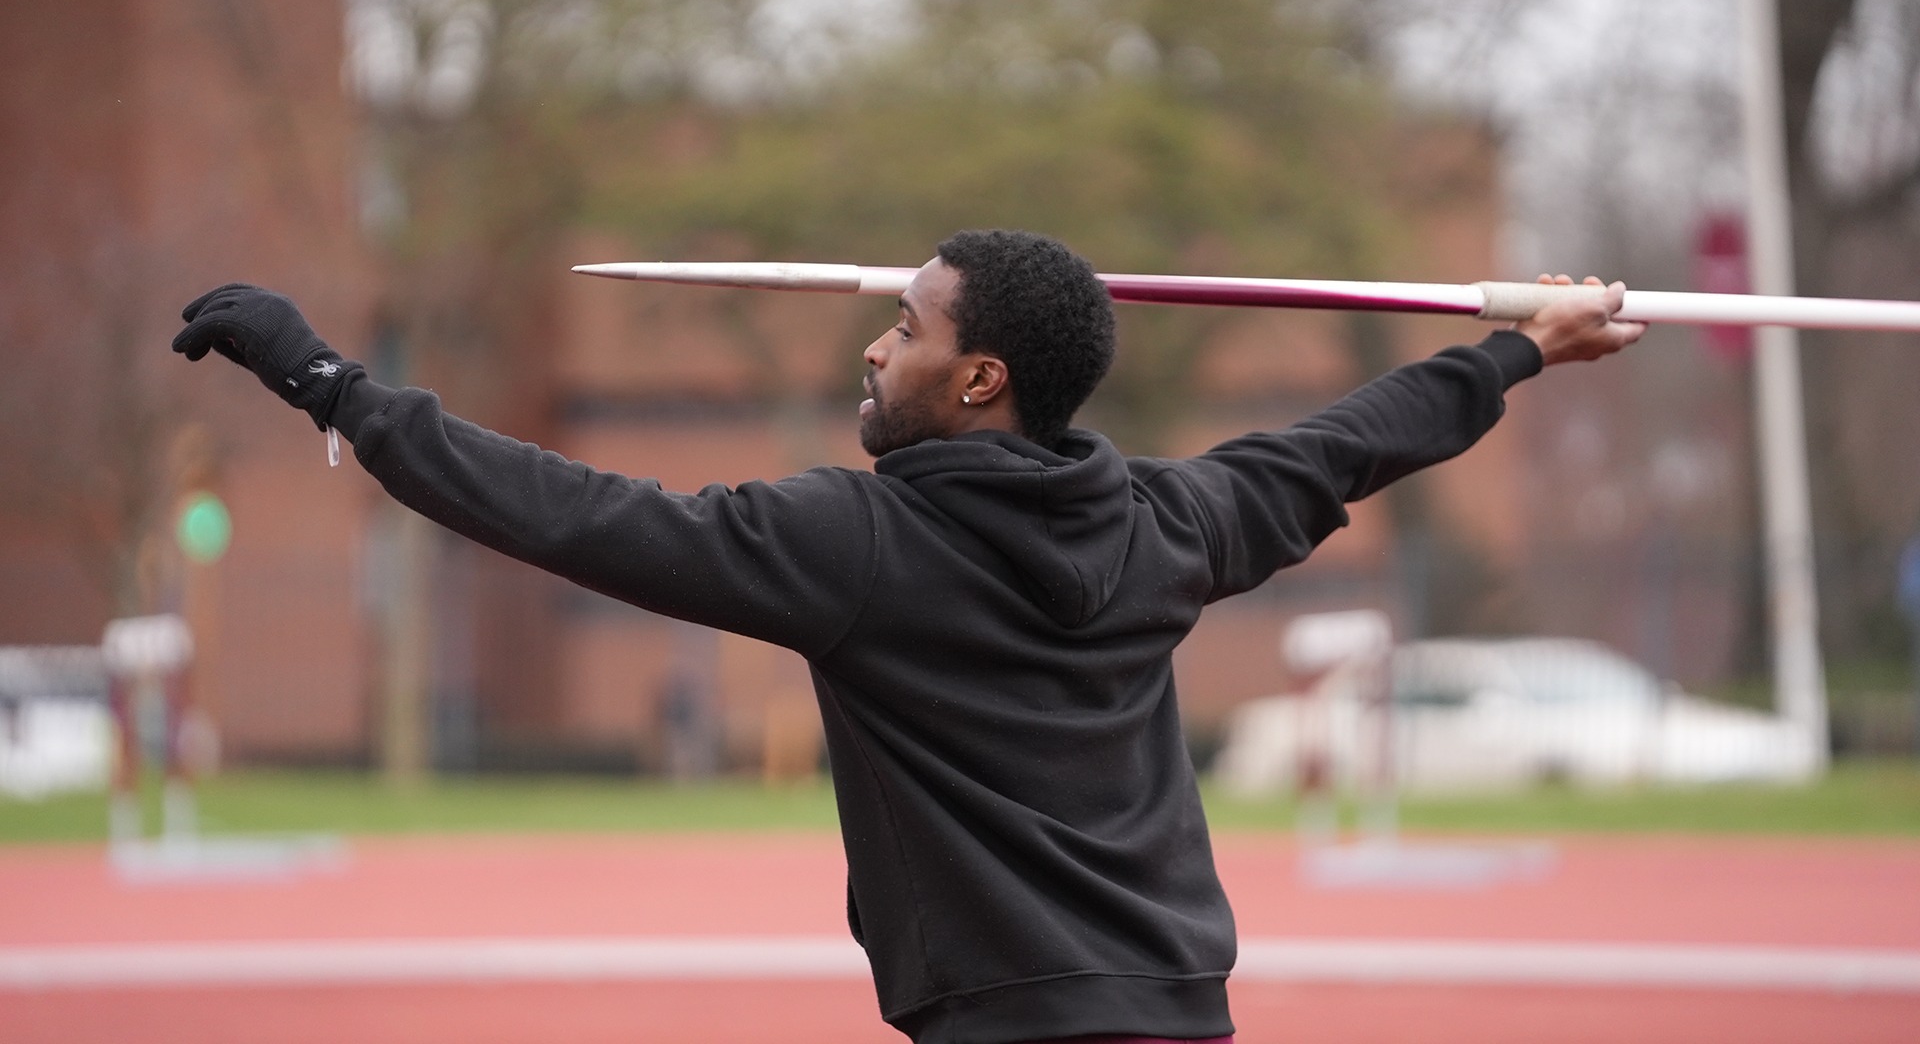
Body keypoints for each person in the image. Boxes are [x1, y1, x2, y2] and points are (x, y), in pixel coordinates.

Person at [172, 229, 1642, 1044]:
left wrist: (329, 384)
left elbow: (569, 514)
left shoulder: (853, 543)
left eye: (910, 326)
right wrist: (1519, 349)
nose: (875, 345)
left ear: (981, 375)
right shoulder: (1170, 523)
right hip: (1183, 1020)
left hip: (1008, 1031)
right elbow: (1346, 446)